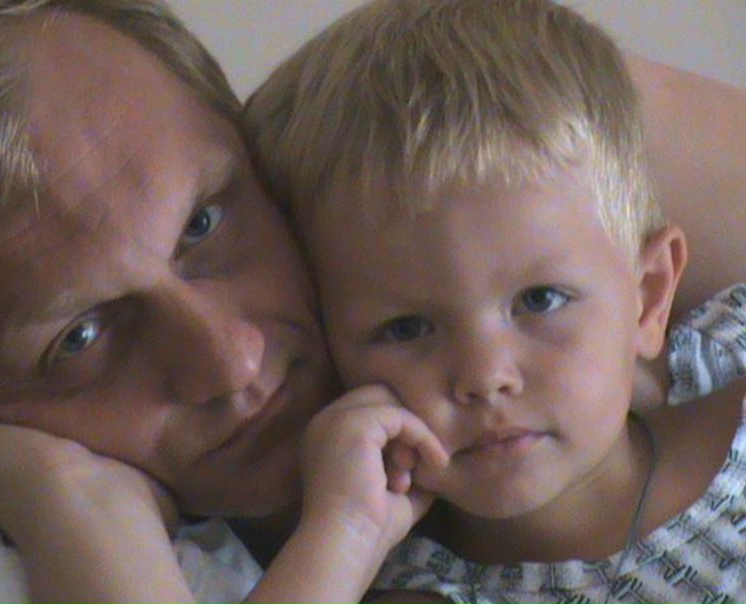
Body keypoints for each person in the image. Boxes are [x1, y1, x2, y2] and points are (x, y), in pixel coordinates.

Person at [0, 0, 743, 602]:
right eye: (80, 338)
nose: (231, 360)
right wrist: (64, 501)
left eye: (203, 224)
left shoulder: (480, 135)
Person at [244, 0, 746, 602]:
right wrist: (345, 531)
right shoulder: (424, 590)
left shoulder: (731, 361)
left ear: (649, 295)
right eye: (406, 329)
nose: (484, 377)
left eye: (541, 299)